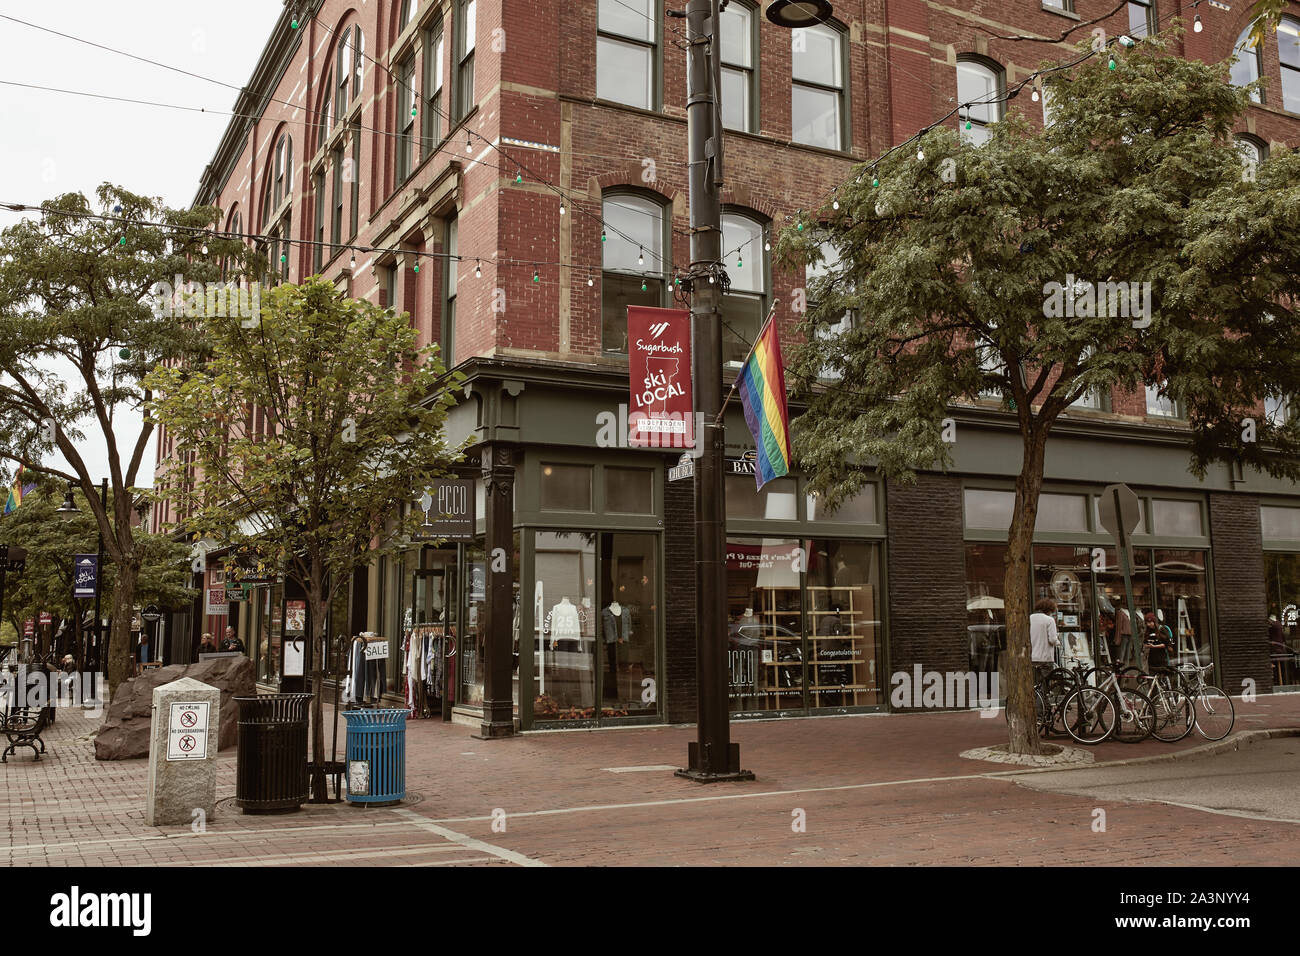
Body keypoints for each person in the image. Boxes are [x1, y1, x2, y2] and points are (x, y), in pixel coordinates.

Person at [1029, 597, 1061, 683]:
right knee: (1046, 684)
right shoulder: (1049, 620)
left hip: (1032, 657)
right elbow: (1052, 639)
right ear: (1049, 609)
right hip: (1045, 658)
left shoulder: (1030, 618)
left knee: (1035, 684)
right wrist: (1059, 642)